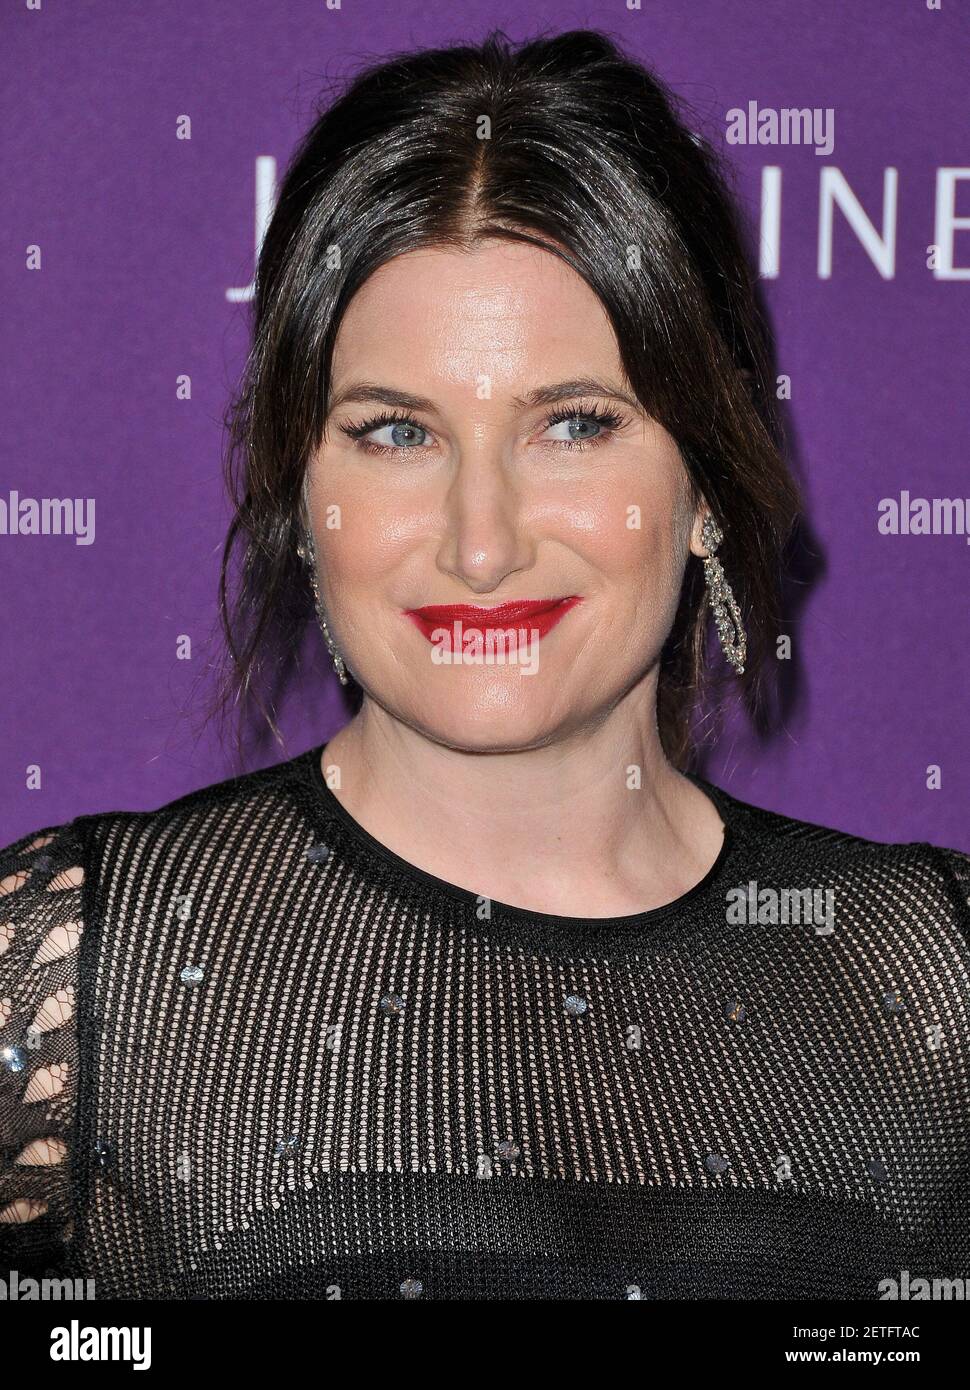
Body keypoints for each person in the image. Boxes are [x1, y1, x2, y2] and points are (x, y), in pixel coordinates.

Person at [1, 28, 967, 1301]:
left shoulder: (933, 985)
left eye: (574, 424)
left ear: (705, 483)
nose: (481, 540)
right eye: (396, 432)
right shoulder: (79, 973)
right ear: (303, 488)